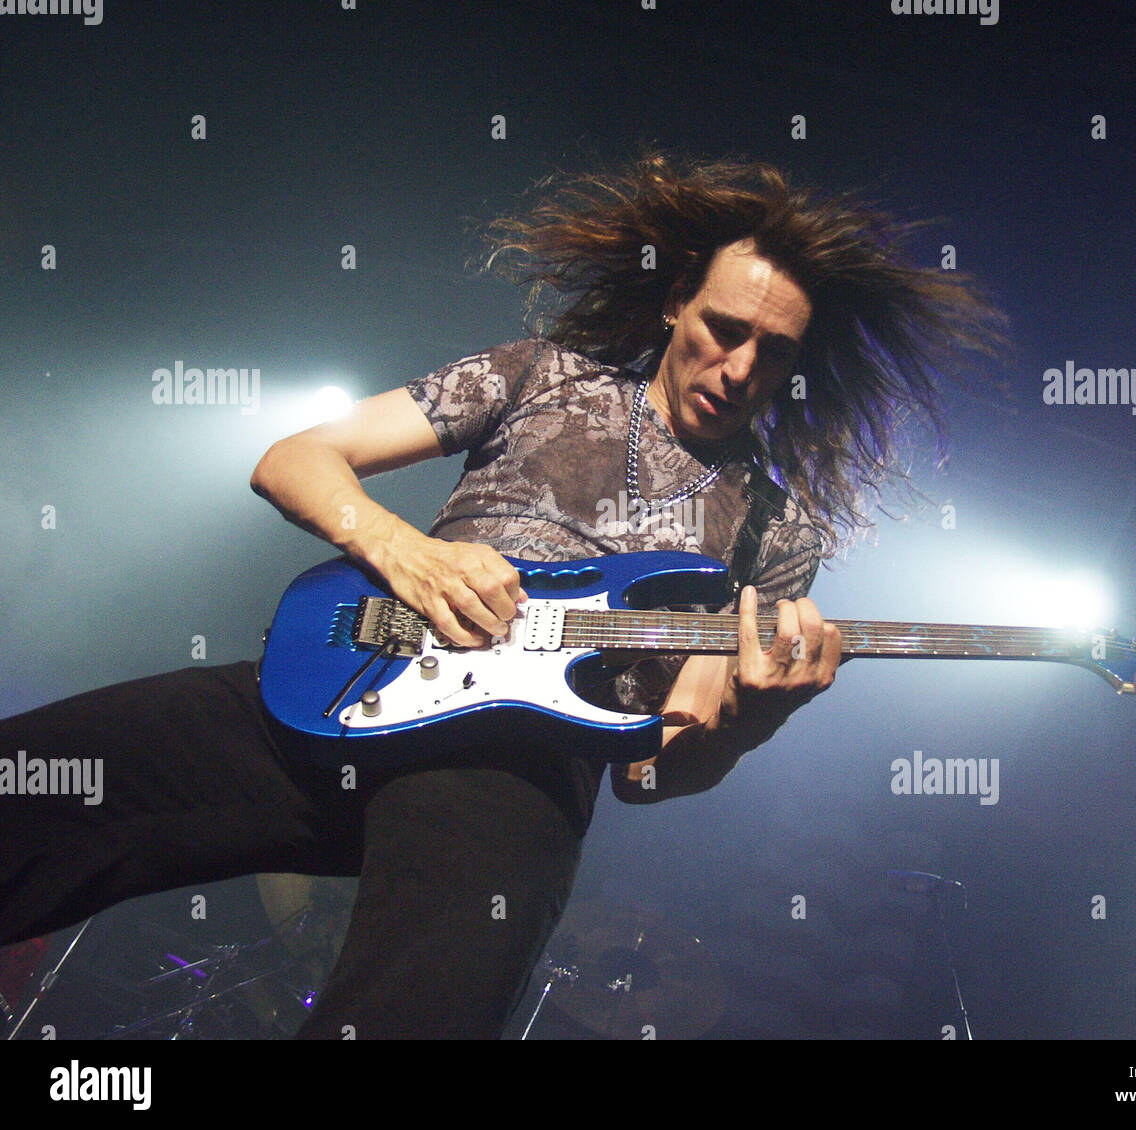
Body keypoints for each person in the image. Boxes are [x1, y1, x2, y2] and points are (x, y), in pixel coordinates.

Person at [0, 152, 1004, 1038]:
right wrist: (405, 550)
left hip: (513, 779)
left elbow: (647, 777)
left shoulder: (774, 537)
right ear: (673, 305)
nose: (739, 367)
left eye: (772, 350)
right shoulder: (541, 377)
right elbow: (295, 458)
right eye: (722, 328)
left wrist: (747, 727)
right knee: (33, 782)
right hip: (348, 673)